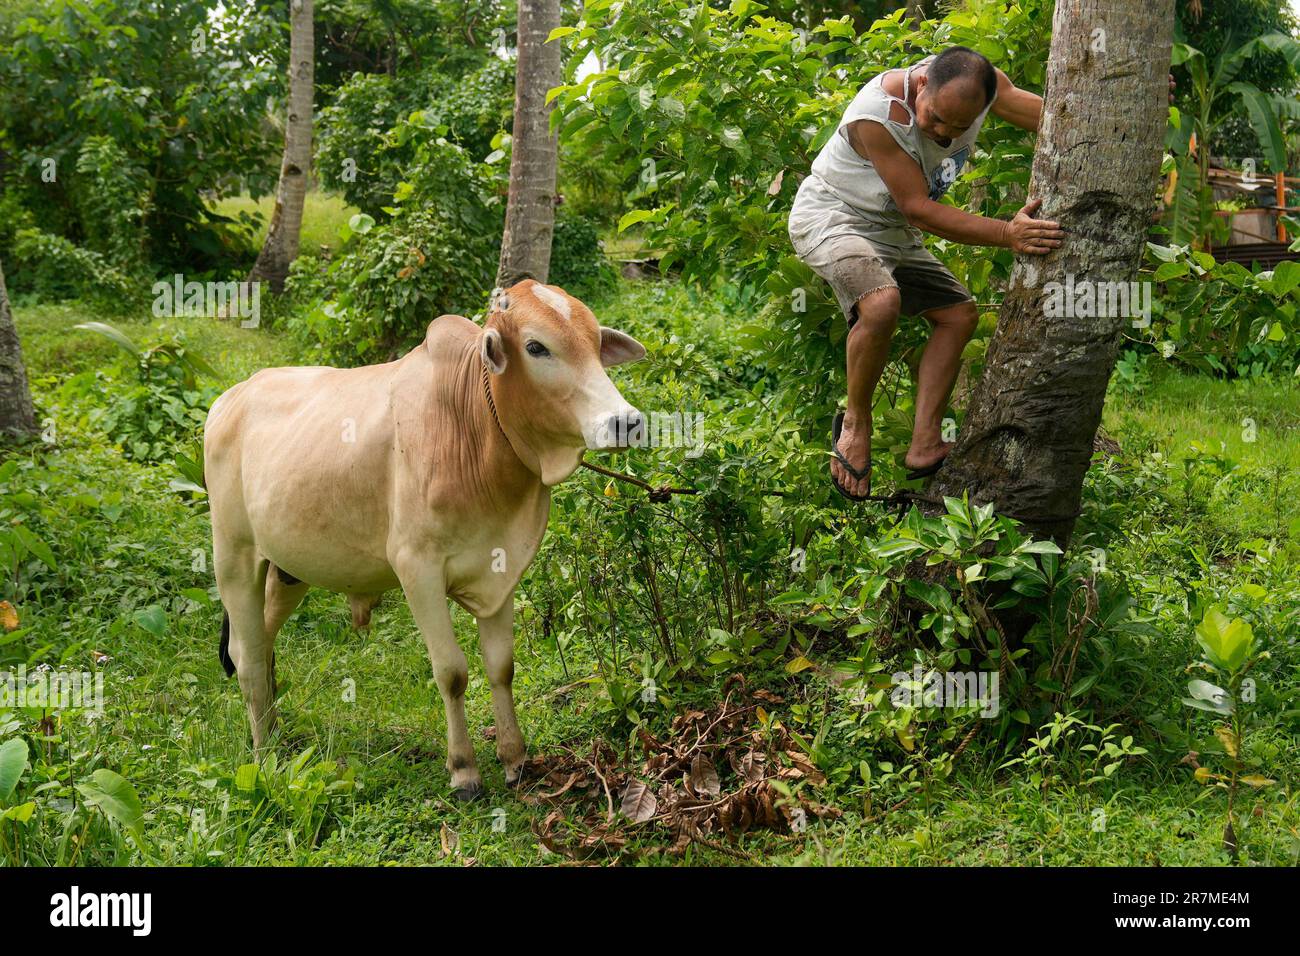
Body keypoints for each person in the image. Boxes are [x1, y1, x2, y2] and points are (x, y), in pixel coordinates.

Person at [787, 46, 1063, 500]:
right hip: (835, 217)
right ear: (920, 86)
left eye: (960, 127)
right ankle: (855, 424)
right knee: (881, 303)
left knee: (959, 315)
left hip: (891, 229)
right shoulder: (877, 115)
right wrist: (1006, 232)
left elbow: (1053, 120)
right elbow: (919, 209)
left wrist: (1136, 104)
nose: (944, 134)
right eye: (935, 119)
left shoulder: (980, 86)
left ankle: (924, 442)